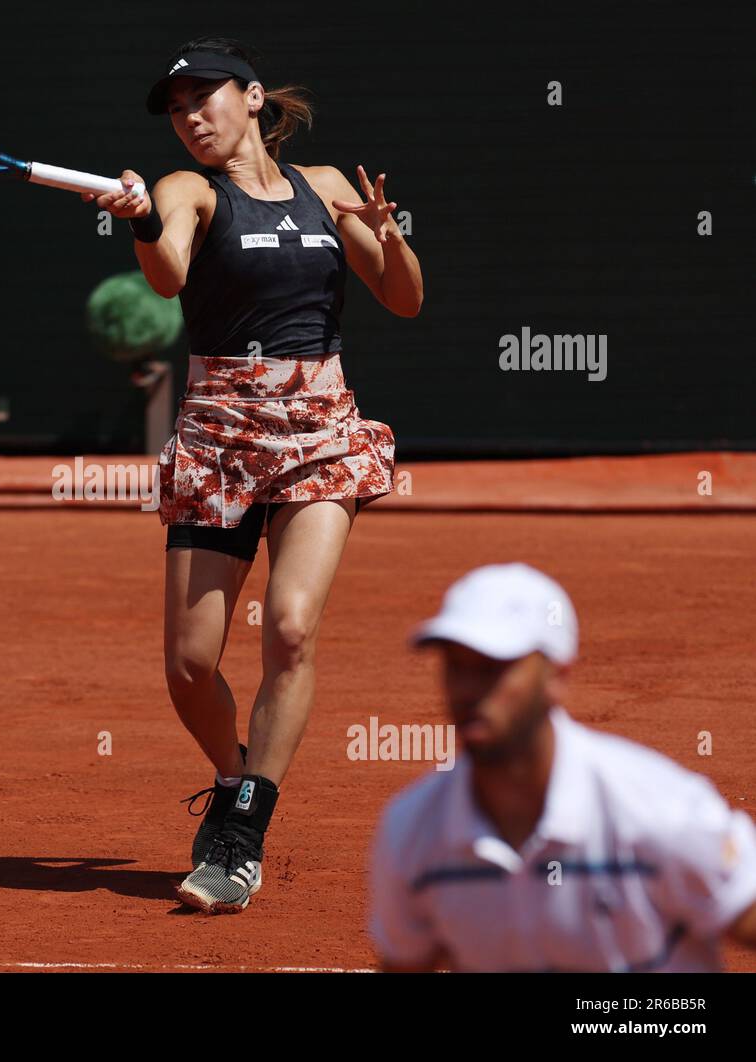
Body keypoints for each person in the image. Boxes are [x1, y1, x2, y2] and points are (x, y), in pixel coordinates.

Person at [85, 37, 424, 913]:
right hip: (220, 437)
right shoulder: (184, 191)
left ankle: (242, 834)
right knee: (192, 666)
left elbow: (405, 298)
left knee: (293, 627)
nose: (191, 116)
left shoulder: (328, 187)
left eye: (206, 97)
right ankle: (236, 781)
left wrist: (387, 237)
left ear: (254, 97)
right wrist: (137, 220)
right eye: (176, 106)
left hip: (319, 432)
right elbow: (167, 278)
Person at [369, 562, 756, 971]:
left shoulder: (661, 813)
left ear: (557, 675)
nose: (469, 690)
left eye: (492, 670)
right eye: (456, 666)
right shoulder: (411, 829)